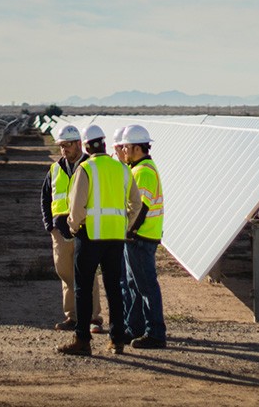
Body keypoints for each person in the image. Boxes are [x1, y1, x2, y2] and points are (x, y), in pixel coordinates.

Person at [56, 123, 139, 356]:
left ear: (85, 146)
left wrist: (73, 227)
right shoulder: (122, 169)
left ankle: (82, 340)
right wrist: (126, 225)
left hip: (90, 236)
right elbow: (136, 203)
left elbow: (77, 206)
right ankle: (117, 340)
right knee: (114, 289)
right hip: (115, 238)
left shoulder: (86, 169)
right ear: (103, 143)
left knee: (83, 288)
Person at [40, 124, 103, 333]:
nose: (64, 149)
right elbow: (45, 197)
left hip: (85, 229)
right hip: (60, 232)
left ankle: (93, 318)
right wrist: (50, 226)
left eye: (67, 145)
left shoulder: (90, 166)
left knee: (87, 273)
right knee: (65, 274)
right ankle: (73, 317)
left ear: (78, 144)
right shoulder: (55, 169)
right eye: (61, 145)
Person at [116, 123, 166, 349]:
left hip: (141, 237)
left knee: (146, 286)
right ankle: (134, 328)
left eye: (126, 147)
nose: (123, 151)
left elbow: (140, 209)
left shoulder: (143, 172)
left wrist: (129, 232)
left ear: (137, 148)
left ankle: (155, 333)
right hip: (139, 237)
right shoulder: (139, 169)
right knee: (134, 286)